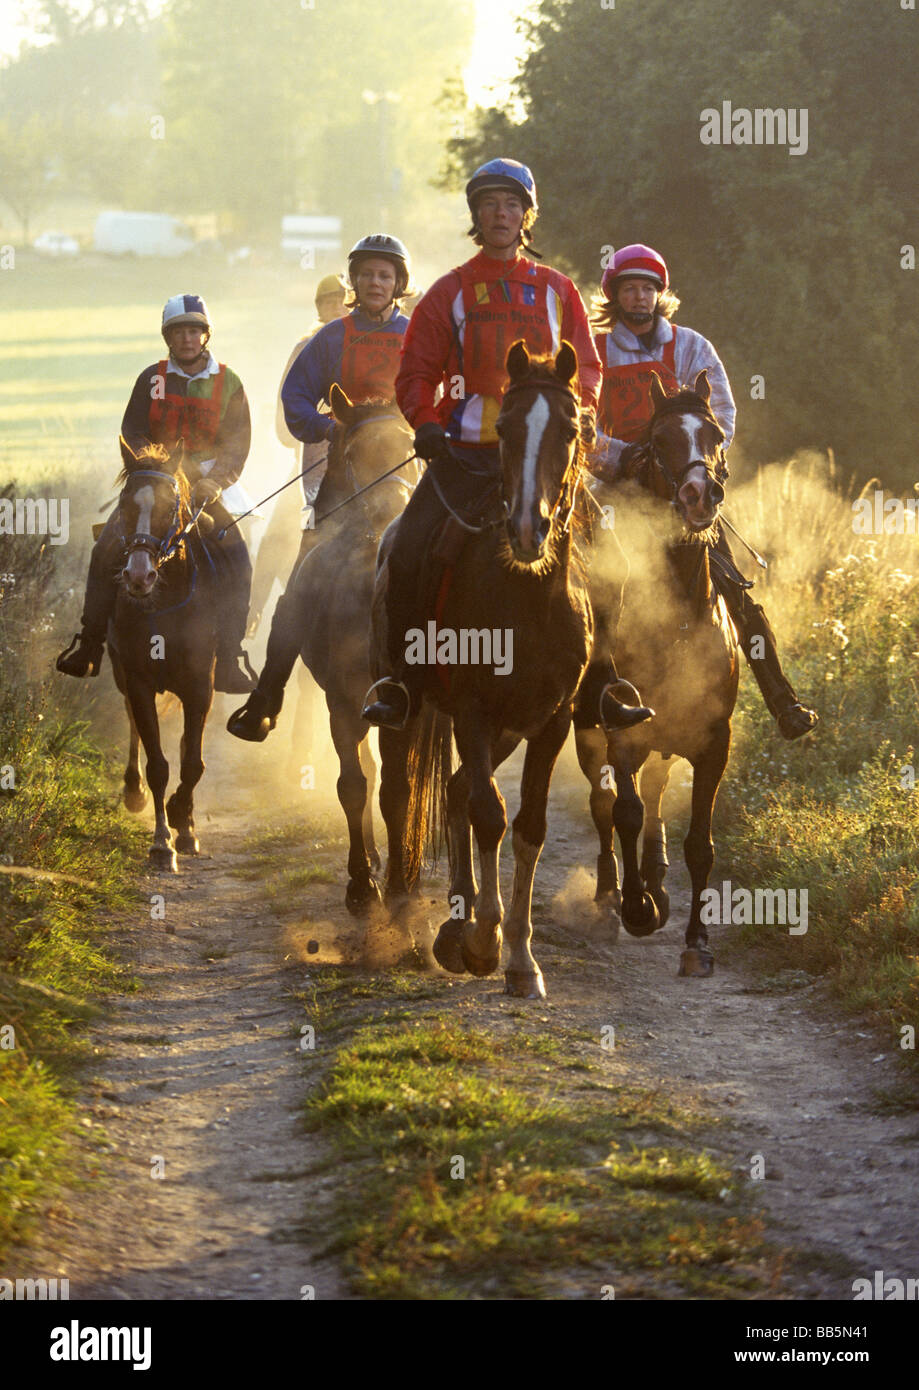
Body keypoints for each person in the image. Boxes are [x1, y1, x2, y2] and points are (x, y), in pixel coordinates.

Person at [361, 157, 652, 732]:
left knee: (611, 557)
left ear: (527, 216)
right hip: (466, 457)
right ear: (476, 214)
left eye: (512, 204)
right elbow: (414, 373)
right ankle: (402, 680)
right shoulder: (449, 290)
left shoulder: (559, 289)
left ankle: (602, 681)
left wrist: (584, 411)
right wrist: (424, 423)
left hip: (543, 459)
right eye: (490, 204)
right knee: (405, 545)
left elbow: (587, 367)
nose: (501, 214)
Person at [590, 244, 818, 739]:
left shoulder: (693, 346)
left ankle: (783, 701)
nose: (640, 297)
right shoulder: (595, 350)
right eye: (630, 288)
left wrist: (693, 469)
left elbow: (724, 417)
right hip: (618, 495)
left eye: (648, 288)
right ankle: (583, 697)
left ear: (660, 294)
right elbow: (581, 421)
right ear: (615, 295)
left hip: (684, 496)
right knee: (589, 589)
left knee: (736, 593)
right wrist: (623, 456)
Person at [227, 235, 413, 741]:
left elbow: (442, 392)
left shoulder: (417, 334)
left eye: (385, 275)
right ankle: (269, 693)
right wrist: (333, 427)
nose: (376, 283)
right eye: (367, 274)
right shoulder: (330, 338)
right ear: (353, 281)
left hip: (406, 470)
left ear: (399, 283)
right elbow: (297, 400)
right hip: (342, 480)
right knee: (306, 574)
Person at [56, 294, 255, 693]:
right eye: (179, 331)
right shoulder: (152, 378)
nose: (187, 338)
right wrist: (156, 468)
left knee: (238, 555)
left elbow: (237, 444)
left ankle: (230, 655)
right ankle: (90, 643)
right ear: (168, 336)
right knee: (105, 549)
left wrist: (214, 480)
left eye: (194, 330)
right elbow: (132, 430)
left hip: (205, 488)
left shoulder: (229, 382)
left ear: (205, 334)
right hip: (154, 482)